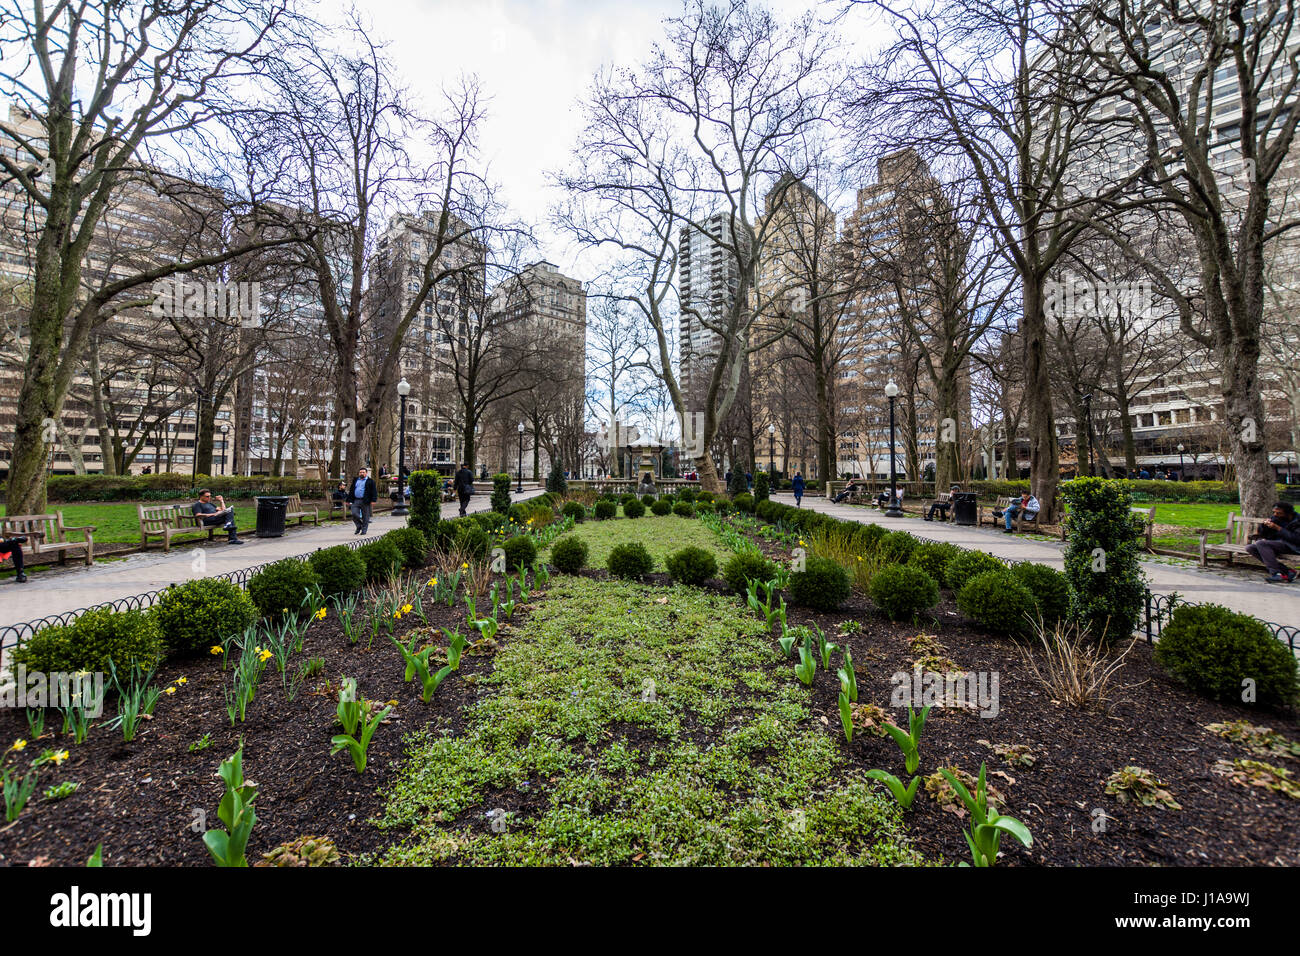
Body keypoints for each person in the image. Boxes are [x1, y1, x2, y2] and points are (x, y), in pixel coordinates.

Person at [1245, 502, 1300, 583]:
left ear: (1288, 513)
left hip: (1294, 546)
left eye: (1279, 513)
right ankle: (1288, 571)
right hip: (1278, 543)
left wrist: (1278, 528)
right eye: (1274, 512)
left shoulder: (1298, 521)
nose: (1275, 514)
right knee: (1250, 548)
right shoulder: (1276, 518)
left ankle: (1276, 573)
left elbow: (1296, 539)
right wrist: (1264, 525)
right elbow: (1265, 534)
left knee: (1261, 543)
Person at [347, 467, 377, 535]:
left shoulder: (370, 481)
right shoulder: (356, 480)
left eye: (363, 472)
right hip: (356, 500)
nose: (362, 473)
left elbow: (374, 491)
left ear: (366, 473)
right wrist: (348, 500)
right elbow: (351, 490)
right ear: (358, 473)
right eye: (360, 472)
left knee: (365, 516)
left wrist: (373, 500)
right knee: (354, 514)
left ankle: (364, 530)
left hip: (365, 501)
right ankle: (359, 526)